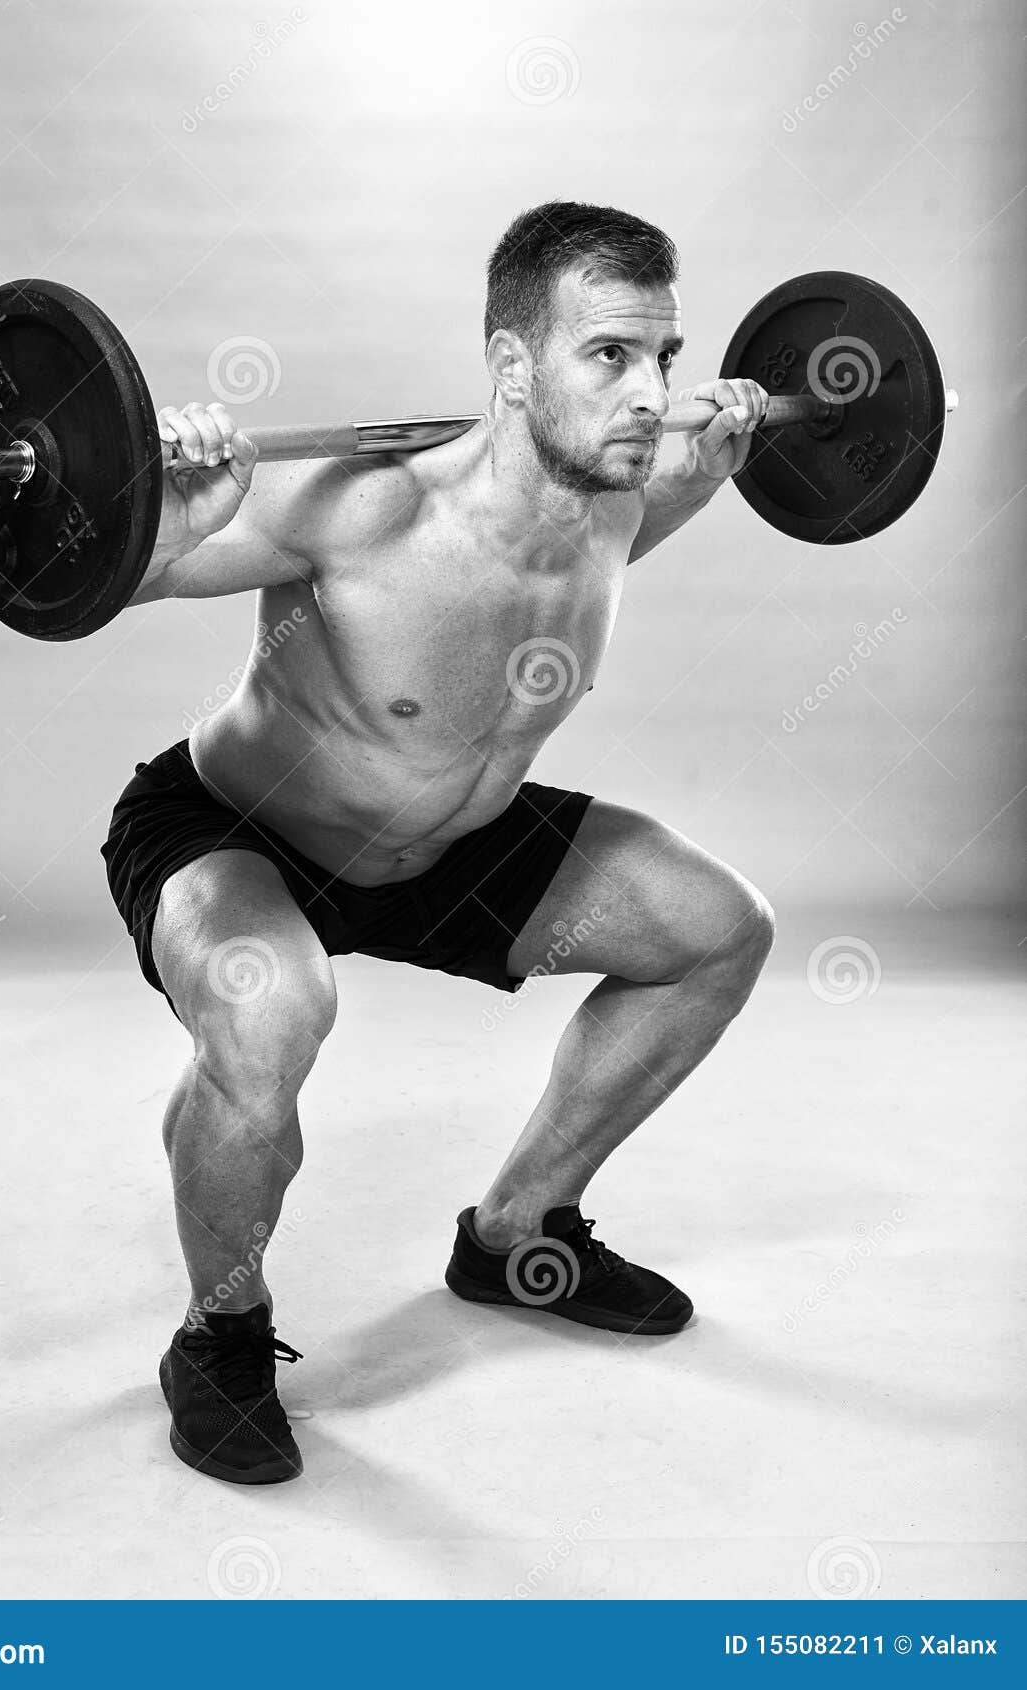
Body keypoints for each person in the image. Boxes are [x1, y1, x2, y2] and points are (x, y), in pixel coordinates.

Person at [102, 200, 774, 1485]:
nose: (651, 394)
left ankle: (520, 1230)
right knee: (271, 1012)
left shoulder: (624, 498)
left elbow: (735, 444)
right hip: (244, 832)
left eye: (667, 359)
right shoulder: (363, 507)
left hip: (445, 848)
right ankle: (221, 1331)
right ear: (513, 368)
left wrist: (758, 420)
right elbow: (95, 579)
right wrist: (163, 517)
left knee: (718, 929)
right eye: (610, 357)